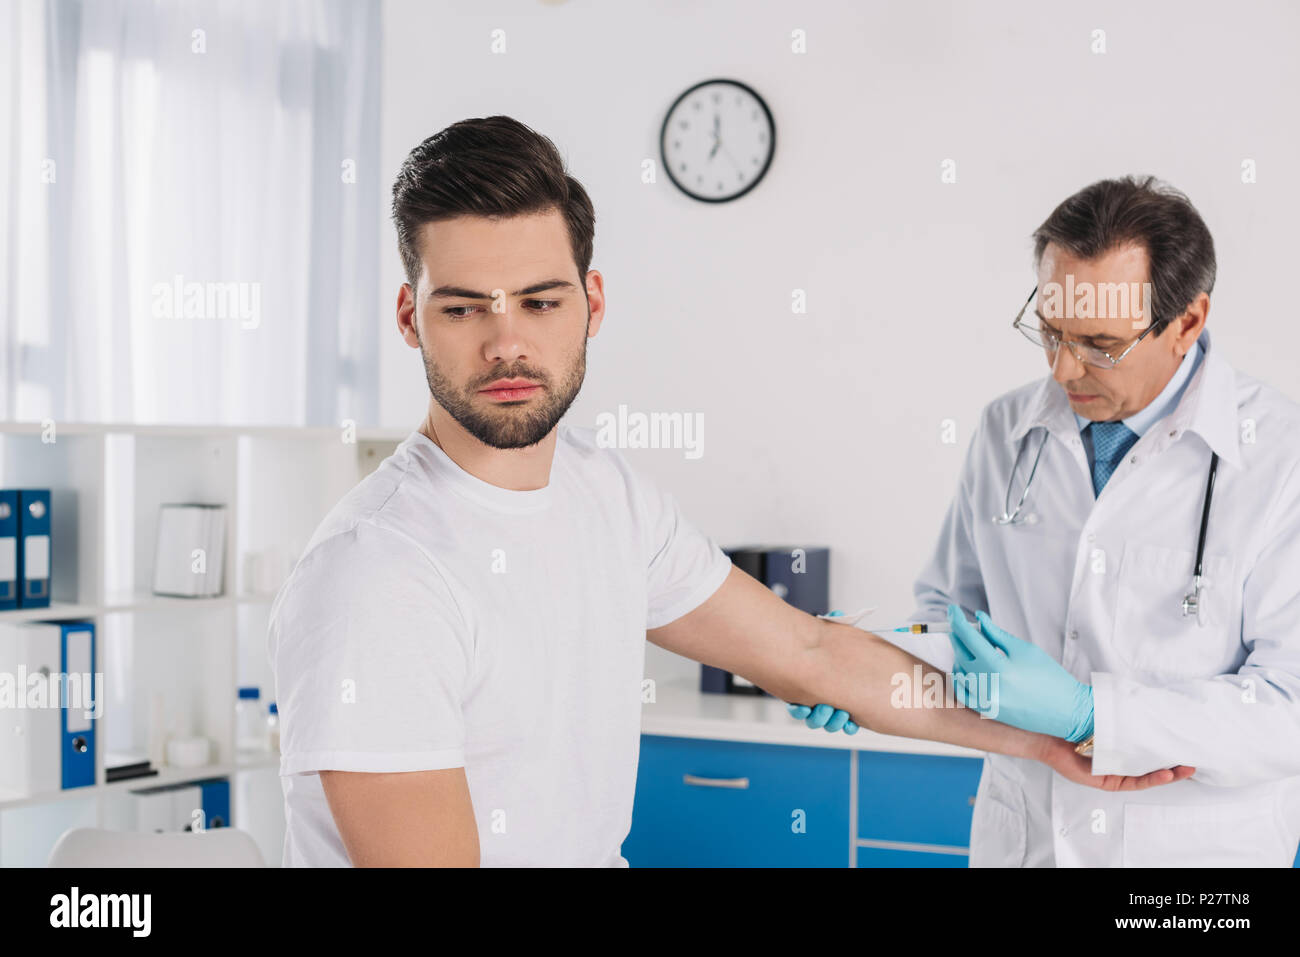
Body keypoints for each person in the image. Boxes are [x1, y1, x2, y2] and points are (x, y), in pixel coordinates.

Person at [268, 121, 1187, 867]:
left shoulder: (605, 495)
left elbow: (809, 652)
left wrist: (1042, 742)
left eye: (539, 302)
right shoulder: (379, 577)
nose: (506, 344)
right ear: (407, 316)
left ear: (592, 302)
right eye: (464, 307)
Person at [794, 176, 1300, 867]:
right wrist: (873, 671)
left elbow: (1287, 710)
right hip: (1025, 840)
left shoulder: (1279, 455)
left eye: (1098, 343)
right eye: (1049, 333)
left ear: (1187, 322)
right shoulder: (1008, 428)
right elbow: (953, 619)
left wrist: (1096, 715)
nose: (1063, 369)